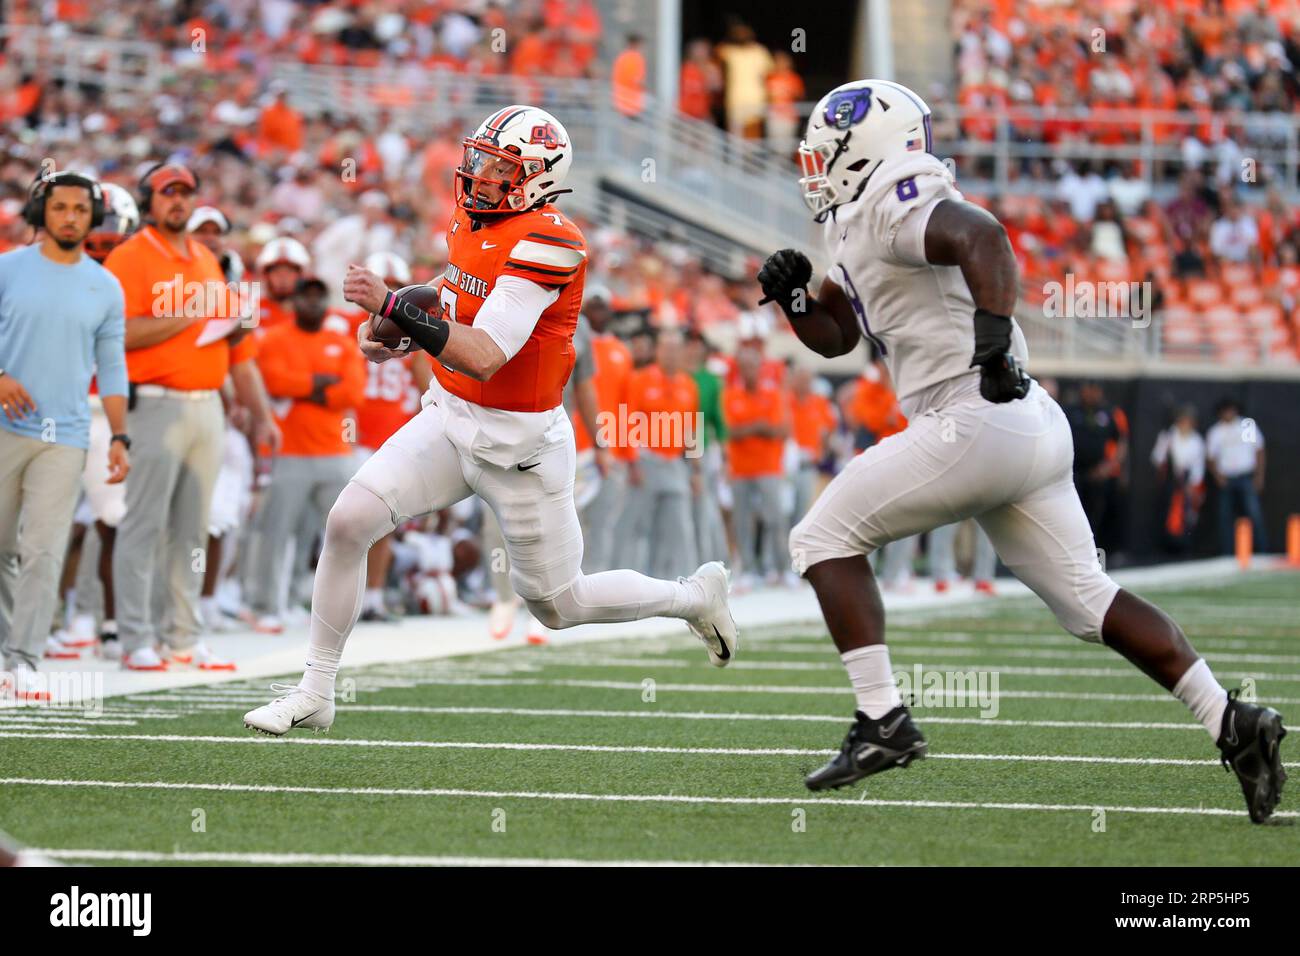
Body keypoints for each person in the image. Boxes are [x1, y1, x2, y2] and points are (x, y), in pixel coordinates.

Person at [757, 79, 1285, 822]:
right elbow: (841, 336)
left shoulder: (892, 194)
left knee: (819, 538)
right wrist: (798, 301)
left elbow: (984, 239)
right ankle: (1232, 721)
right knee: (1089, 602)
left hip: (973, 414)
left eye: (826, 153)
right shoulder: (856, 219)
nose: (814, 167)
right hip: (1022, 422)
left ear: (861, 148)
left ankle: (883, 721)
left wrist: (994, 340)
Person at [243, 105, 737, 736]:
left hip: (518, 446)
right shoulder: (476, 218)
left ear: (535, 176)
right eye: (478, 160)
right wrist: (398, 331)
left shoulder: (553, 241)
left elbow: (485, 354)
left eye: (497, 166)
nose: (477, 175)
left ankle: (695, 596)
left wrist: (392, 303)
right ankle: (316, 689)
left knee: (560, 606)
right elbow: (453, 289)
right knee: (348, 523)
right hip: (450, 417)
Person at [103, 162, 281, 672]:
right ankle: (135, 636)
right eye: (167, 192)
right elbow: (117, 334)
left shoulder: (206, 258)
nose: (177, 201)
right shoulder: (129, 257)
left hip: (208, 406)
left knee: (192, 529)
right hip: (154, 401)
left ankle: (182, 635)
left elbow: (237, 350)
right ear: (147, 200)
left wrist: (262, 413)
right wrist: (190, 316)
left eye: (185, 192)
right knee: (142, 523)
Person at [0, 170, 129, 699]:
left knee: (44, 548)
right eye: (60, 208)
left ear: (92, 216)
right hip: (5, 428)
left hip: (68, 434)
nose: (71, 217)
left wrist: (120, 438)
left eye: (81, 209)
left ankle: (23, 659)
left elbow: (113, 366)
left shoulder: (106, 285)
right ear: (42, 214)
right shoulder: (7, 269)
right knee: (3, 546)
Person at [249, 276, 366, 633]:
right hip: (290, 450)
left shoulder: (340, 342)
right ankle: (265, 604)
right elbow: (272, 380)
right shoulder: (274, 338)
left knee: (326, 534)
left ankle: (298, 598)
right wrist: (318, 383)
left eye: (319, 297)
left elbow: (353, 391)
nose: (312, 304)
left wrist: (303, 386)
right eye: (306, 297)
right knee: (277, 531)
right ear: (295, 301)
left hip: (334, 450)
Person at [724, 344, 790, 586]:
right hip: (740, 468)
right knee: (742, 521)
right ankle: (749, 570)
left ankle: (783, 569)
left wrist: (748, 428)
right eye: (744, 367)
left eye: (752, 366)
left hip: (769, 467)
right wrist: (758, 426)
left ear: (760, 368)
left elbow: (780, 430)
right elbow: (729, 432)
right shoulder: (730, 395)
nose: (748, 371)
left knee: (775, 519)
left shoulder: (772, 394)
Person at [1206, 398, 1266, 555]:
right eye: (1225, 410)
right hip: (1227, 478)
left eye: (1230, 409)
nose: (1228, 413)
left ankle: (1261, 551)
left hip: (1245, 475)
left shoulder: (1245, 425)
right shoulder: (1216, 431)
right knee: (1225, 516)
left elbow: (1258, 450)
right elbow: (1211, 458)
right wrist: (1218, 476)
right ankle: (1227, 553)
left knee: (1254, 514)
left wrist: (1259, 476)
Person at [1151, 404, 1206, 555]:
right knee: (1166, 514)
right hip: (1170, 481)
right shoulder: (1168, 436)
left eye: (1189, 420)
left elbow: (1198, 467)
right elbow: (1157, 458)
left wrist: (1193, 485)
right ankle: (1165, 548)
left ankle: (1184, 548)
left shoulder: (1197, 441)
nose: (1185, 424)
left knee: (1187, 516)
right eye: (1183, 420)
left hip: (1187, 482)